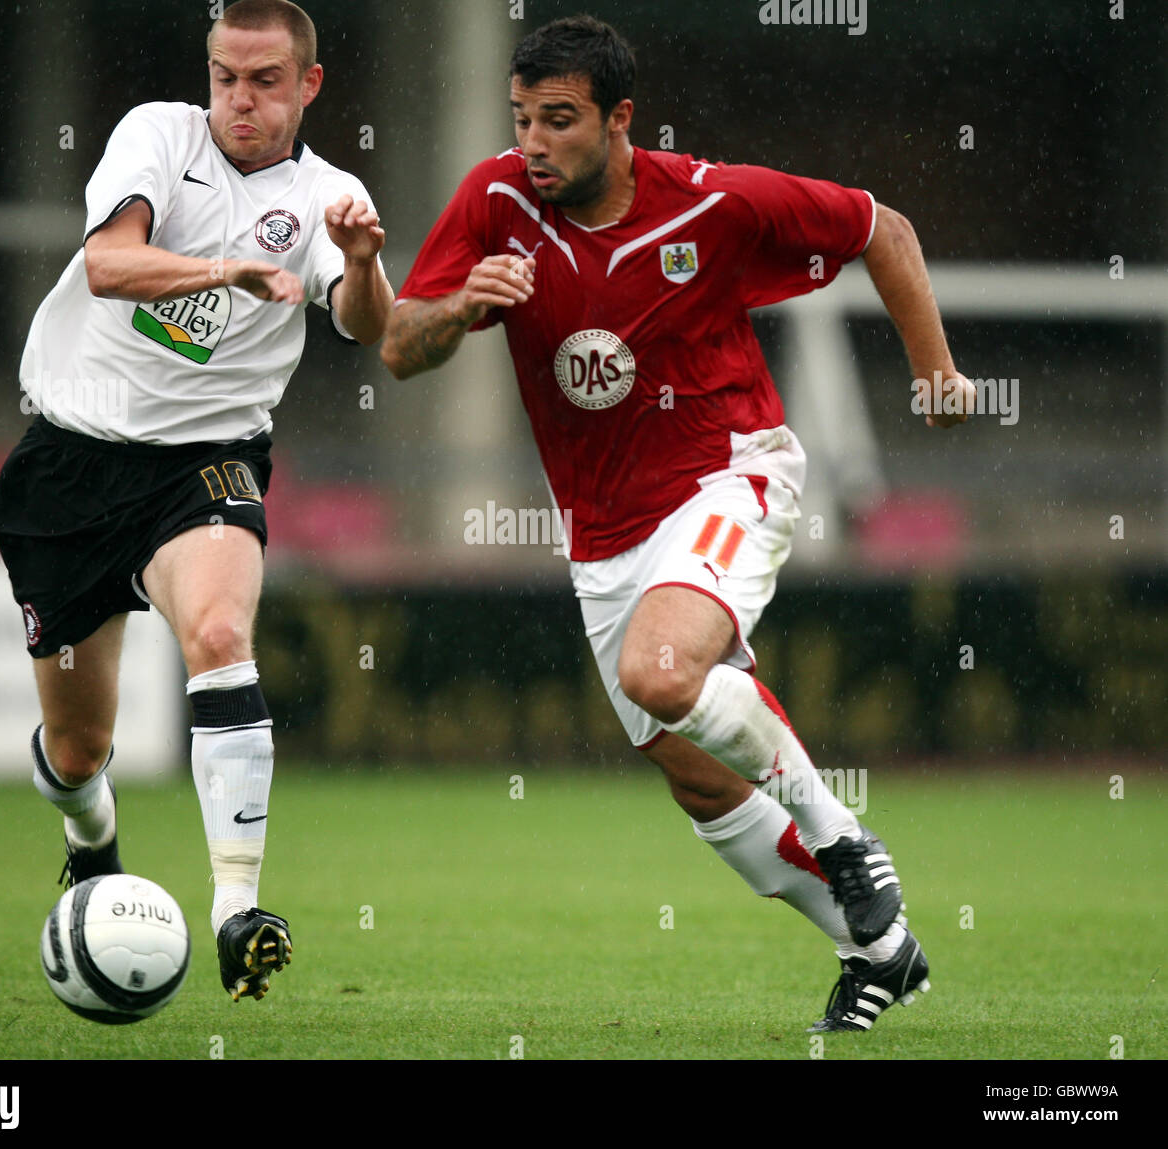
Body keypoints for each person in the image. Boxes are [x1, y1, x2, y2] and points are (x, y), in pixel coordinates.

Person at [382, 14, 973, 1032]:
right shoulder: (493, 202)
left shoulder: (714, 203)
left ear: (619, 120)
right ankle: (876, 946)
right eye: (520, 118)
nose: (533, 142)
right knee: (701, 783)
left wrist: (937, 373)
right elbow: (398, 346)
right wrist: (457, 304)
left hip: (729, 473)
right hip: (602, 535)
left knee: (662, 673)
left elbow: (884, 228)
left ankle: (842, 836)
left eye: (558, 121)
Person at [0, 0, 393, 1003]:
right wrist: (225, 267)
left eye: (263, 80)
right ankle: (93, 843)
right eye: (224, 76)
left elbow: (366, 328)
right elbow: (106, 263)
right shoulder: (156, 136)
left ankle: (236, 909)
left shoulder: (330, 195)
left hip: (206, 464)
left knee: (219, 632)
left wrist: (361, 262)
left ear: (308, 84)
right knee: (79, 749)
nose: (239, 100)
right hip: (69, 469)